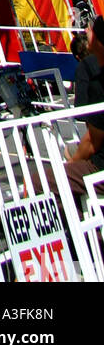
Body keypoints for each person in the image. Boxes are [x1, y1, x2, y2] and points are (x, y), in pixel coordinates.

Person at [64, 15, 104, 207]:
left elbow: (92, 142)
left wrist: (71, 163)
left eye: (89, 30)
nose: (86, 31)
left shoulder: (91, 73)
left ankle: (82, 233)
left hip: (100, 165)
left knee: (44, 179)